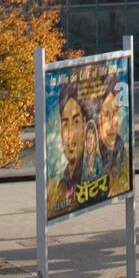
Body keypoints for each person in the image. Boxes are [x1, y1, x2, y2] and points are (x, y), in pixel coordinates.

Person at [47, 79, 86, 216]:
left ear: (84, 125)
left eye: (76, 121)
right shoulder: (59, 186)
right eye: (65, 124)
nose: (70, 135)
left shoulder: (90, 174)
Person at [97, 72, 130, 195]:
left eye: (114, 113)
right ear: (97, 119)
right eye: (106, 114)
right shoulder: (90, 160)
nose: (112, 122)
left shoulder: (123, 153)